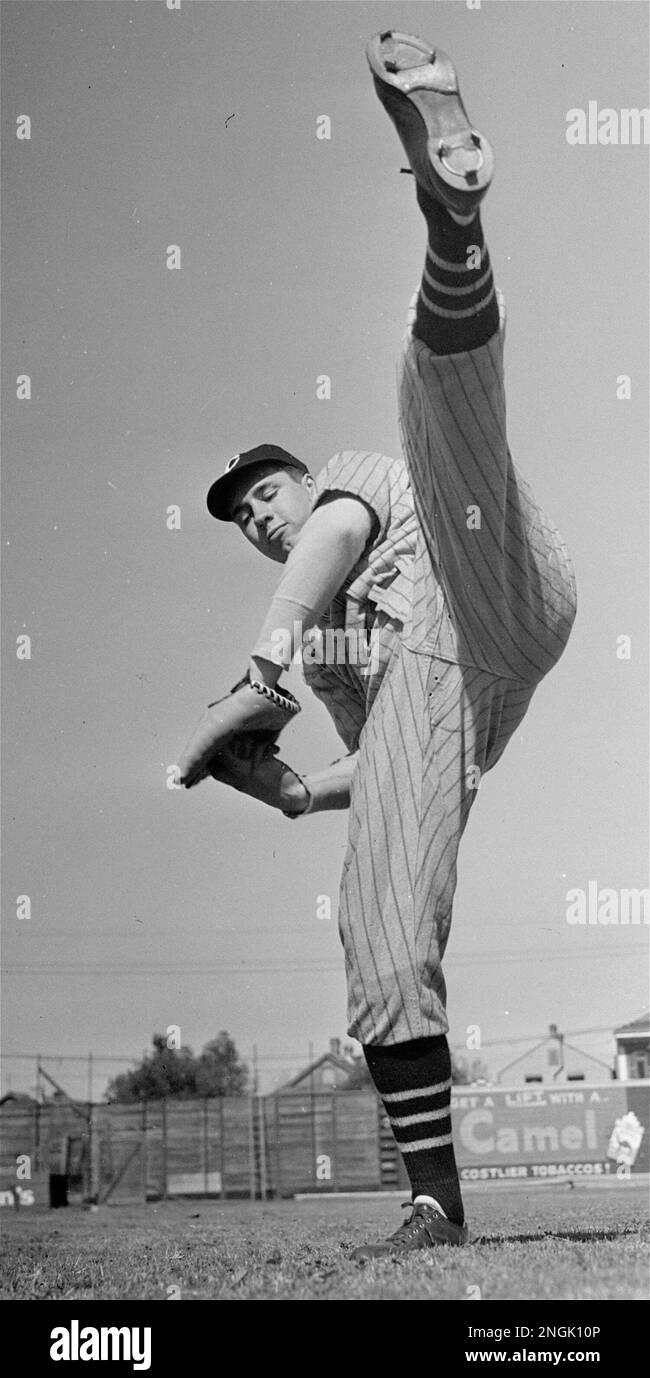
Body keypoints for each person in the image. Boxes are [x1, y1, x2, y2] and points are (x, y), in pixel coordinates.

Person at [178, 31, 577, 1257]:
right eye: (243, 517)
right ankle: (433, 1200)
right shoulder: (349, 667)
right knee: (378, 919)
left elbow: (335, 533)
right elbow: (407, 768)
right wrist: (297, 791)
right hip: (459, 686)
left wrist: (263, 662)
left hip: (482, 566)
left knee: (430, 399)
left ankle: (447, 205)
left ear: (295, 479)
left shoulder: (346, 491)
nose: (259, 515)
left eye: (262, 493)